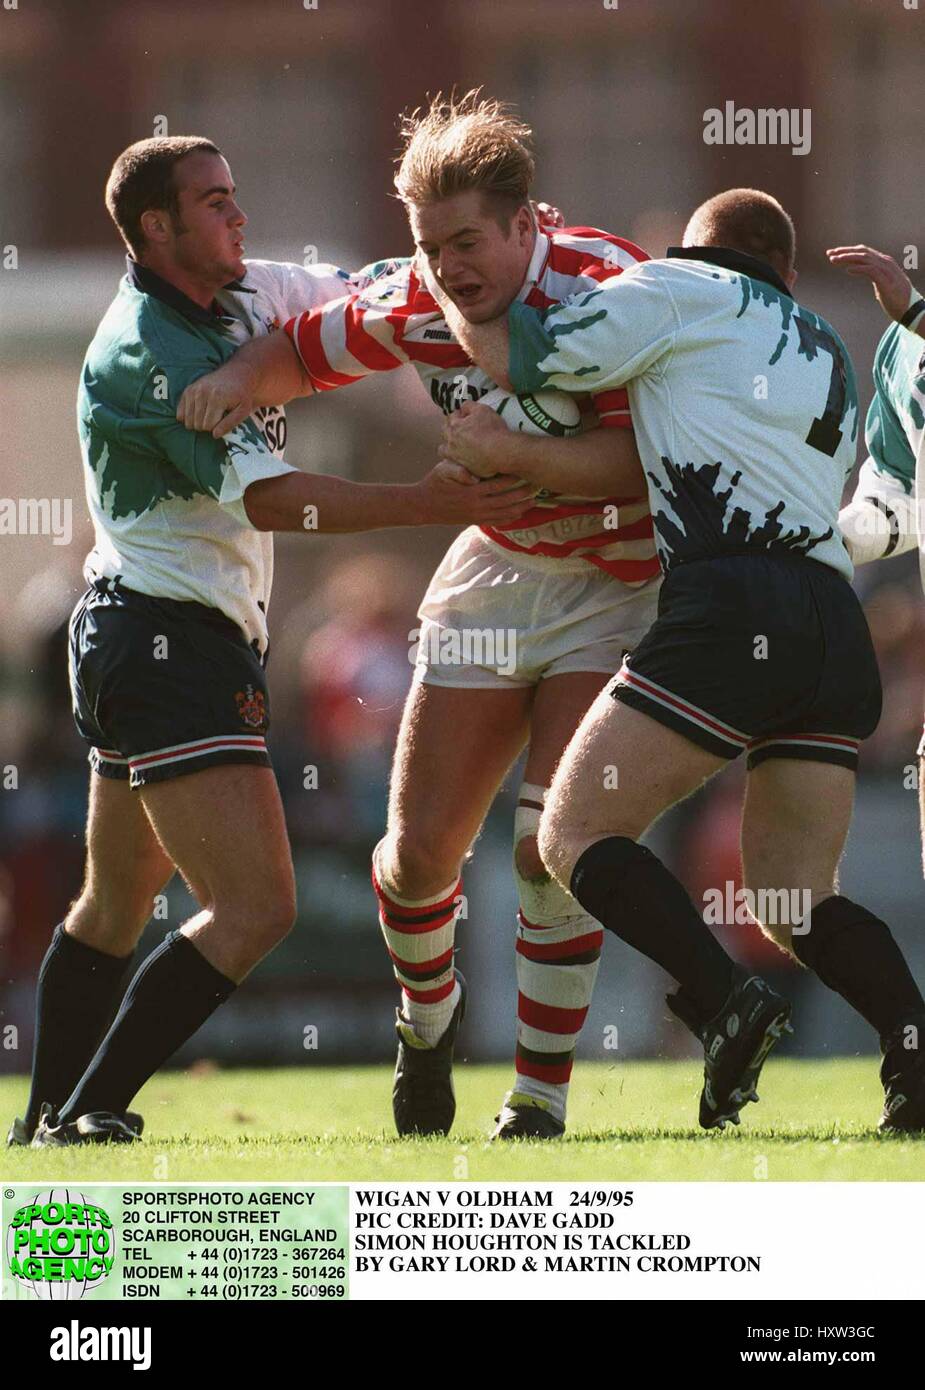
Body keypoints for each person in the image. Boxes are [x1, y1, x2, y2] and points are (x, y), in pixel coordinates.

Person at [12, 135, 532, 1149]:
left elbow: (366, 291)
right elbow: (283, 502)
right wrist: (425, 498)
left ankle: (43, 1125)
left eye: (235, 196)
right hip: (168, 641)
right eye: (214, 203)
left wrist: (473, 285)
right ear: (156, 229)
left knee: (113, 905)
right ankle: (90, 1111)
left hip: (141, 633)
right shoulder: (149, 353)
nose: (237, 217)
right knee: (255, 909)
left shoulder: (242, 291)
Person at [176, 91, 660, 1140]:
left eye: (467, 242)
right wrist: (231, 375)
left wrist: (513, 454)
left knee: (549, 845)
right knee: (415, 857)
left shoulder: (610, 290)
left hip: (615, 587)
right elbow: (300, 352)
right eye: (429, 246)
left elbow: (644, 464)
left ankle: (536, 1098)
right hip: (496, 574)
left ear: (528, 226)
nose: (447, 268)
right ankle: (426, 1023)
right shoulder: (412, 298)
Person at [438, 188, 925, 1131]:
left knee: (568, 834)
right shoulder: (821, 343)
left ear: (697, 251)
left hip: (728, 600)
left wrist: (444, 278)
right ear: (784, 270)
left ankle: (722, 999)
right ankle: (915, 1054)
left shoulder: (677, 287)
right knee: (793, 896)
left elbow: (526, 353)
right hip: (831, 617)